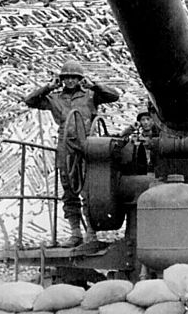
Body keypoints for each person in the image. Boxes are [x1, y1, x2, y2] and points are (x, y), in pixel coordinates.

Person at [24, 59, 120, 246]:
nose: (70, 81)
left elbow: (113, 96)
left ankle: (91, 231)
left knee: (88, 190)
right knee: (69, 189)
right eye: (66, 78)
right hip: (65, 146)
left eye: (74, 78)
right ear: (61, 79)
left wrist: (95, 85)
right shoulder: (55, 98)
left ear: (80, 79)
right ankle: (75, 232)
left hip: (87, 145)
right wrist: (48, 88)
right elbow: (30, 101)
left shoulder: (91, 95)